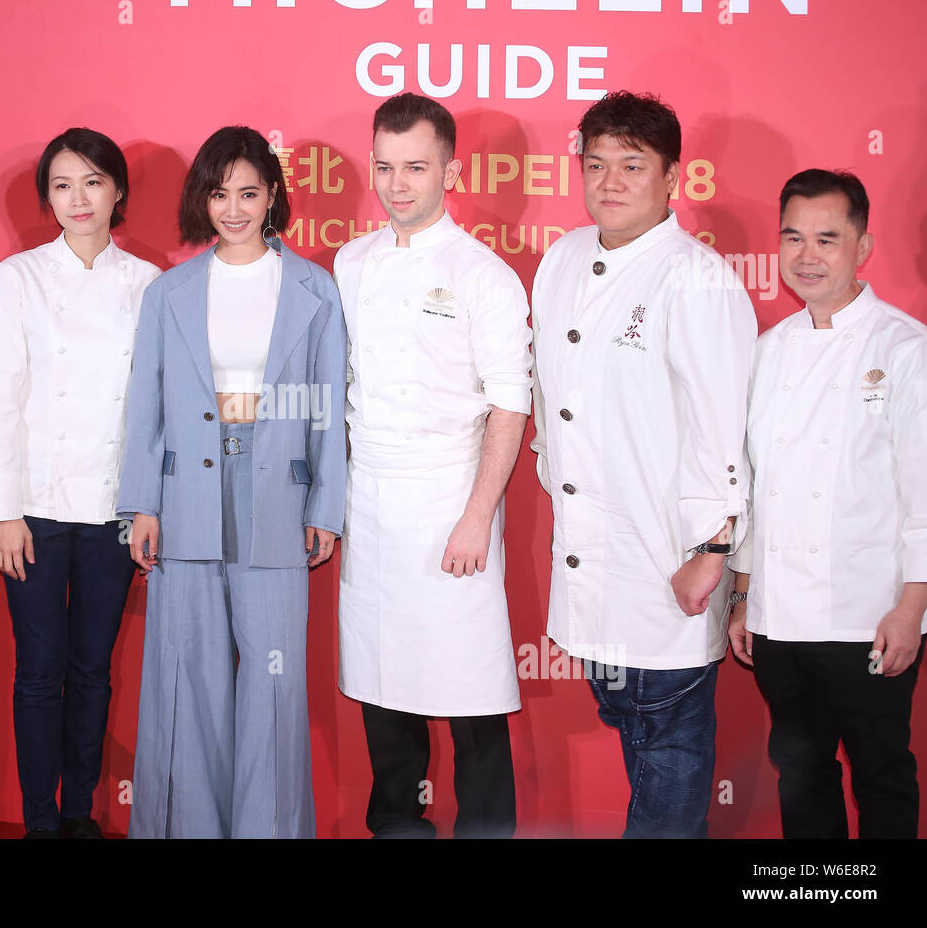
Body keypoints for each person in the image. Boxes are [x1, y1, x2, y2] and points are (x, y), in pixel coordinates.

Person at [530, 91, 757, 838]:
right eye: (596, 165)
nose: (611, 182)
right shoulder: (562, 258)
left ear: (673, 178)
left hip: (669, 562)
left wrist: (714, 549)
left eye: (632, 165)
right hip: (592, 557)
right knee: (633, 728)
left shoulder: (696, 278)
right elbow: (551, 401)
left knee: (669, 751)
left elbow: (724, 428)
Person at [117, 125, 346, 838]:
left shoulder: (315, 288)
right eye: (220, 194)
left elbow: (331, 406)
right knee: (191, 683)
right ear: (202, 201)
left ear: (273, 195)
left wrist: (326, 506)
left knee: (273, 692)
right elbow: (144, 404)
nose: (236, 209)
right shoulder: (170, 291)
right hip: (185, 494)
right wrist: (140, 505)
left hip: (278, 494)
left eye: (249, 192)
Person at [336, 93, 531, 839]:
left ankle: (486, 831)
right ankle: (396, 826)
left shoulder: (486, 275)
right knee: (385, 689)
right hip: (369, 504)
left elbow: (510, 405)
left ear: (453, 168)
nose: (397, 184)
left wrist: (478, 517)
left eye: (415, 167)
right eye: (385, 166)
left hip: (453, 499)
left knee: (472, 693)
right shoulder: (351, 264)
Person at [727, 169, 926, 838]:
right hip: (783, 620)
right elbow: (756, 481)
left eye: (827, 239)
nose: (807, 257)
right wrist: (746, 592)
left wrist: (913, 605)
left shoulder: (905, 348)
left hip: (871, 613)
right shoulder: (768, 352)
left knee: (882, 775)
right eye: (793, 238)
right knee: (803, 775)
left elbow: (922, 487)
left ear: (863, 247)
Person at [0, 128, 161, 839]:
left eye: (92, 181)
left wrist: (145, 505)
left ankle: (80, 812)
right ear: (47, 197)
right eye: (61, 184)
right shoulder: (19, 277)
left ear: (117, 191)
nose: (77, 198)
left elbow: (152, 410)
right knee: (36, 672)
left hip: (112, 511)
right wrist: (6, 513)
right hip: (37, 512)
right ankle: (38, 821)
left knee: (92, 671)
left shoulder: (148, 284)